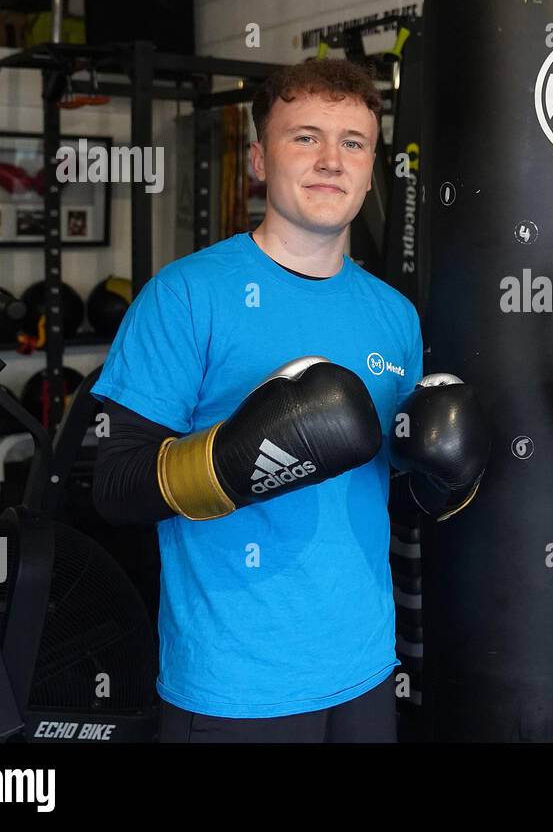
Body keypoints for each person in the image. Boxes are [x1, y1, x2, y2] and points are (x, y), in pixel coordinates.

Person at [91, 58, 487, 743]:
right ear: (257, 158)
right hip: (233, 682)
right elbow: (114, 484)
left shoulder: (394, 314)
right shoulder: (187, 295)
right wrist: (234, 461)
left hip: (363, 667)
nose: (331, 160)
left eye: (353, 143)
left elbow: (379, 482)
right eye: (305, 136)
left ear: (371, 168)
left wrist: (444, 478)